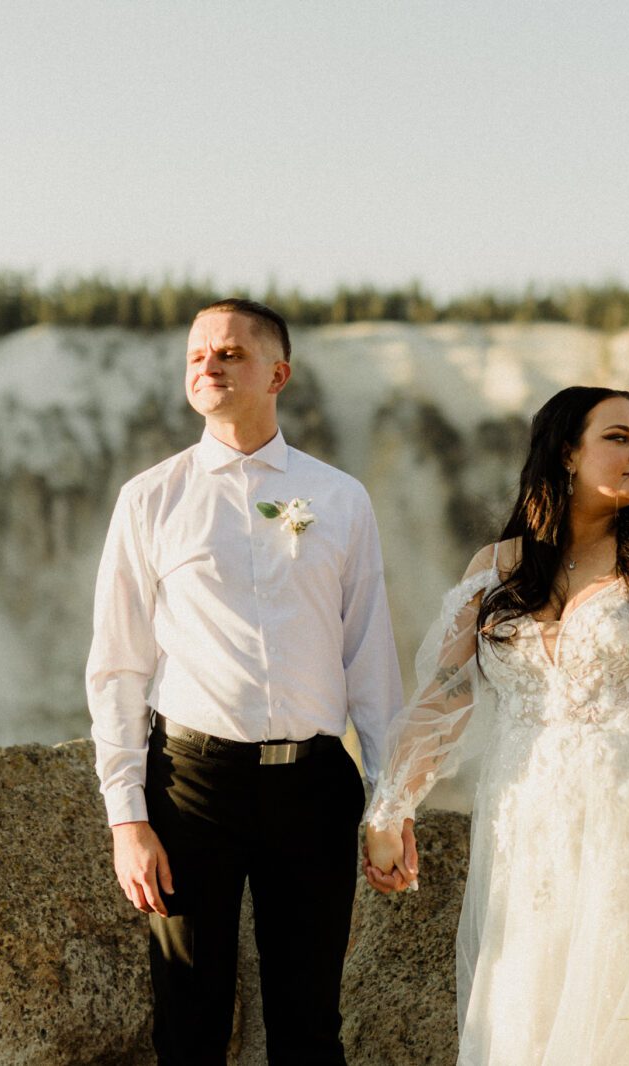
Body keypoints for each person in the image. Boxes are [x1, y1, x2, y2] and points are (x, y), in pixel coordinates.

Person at [362, 385, 629, 1065]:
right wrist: (391, 807)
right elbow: (445, 697)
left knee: (625, 1019)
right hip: (525, 829)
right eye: (618, 437)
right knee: (527, 1015)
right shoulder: (496, 568)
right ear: (567, 453)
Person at [85, 298, 404, 1065]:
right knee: (187, 1027)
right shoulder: (150, 498)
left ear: (277, 374)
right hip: (192, 788)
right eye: (196, 355)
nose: (208, 366)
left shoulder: (339, 497)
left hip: (314, 787)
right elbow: (118, 665)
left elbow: (370, 658)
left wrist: (390, 801)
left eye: (229, 353)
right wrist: (127, 819)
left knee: (309, 1029)